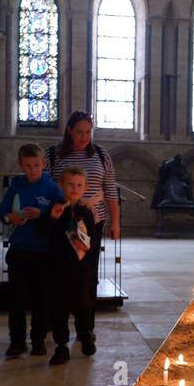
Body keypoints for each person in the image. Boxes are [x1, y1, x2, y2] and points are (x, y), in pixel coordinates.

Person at [46, 111, 118, 349]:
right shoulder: (54, 154)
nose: (84, 136)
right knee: (61, 275)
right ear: (69, 130)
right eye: (79, 131)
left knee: (87, 275)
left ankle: (86, 330)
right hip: (62, 220)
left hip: (92, 220)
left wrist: (115, 222)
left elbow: (110, 189)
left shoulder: (100, 154)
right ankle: (59, 328)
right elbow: (47, 188)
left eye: (88, 132)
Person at [0, 143, 63, 358]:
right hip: (19, 250)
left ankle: (38, 340)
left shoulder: (52, 188)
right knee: (16, 299)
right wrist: (10, 218)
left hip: (43, 251)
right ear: (21, 165)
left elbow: (61, 213)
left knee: (40, 299)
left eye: (36, 165)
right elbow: (3, 212)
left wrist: (41, 214)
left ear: (43, 164)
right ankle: (17, 341)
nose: (32, 169)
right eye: (28, 166)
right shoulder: (17, 186)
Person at [44, 167, 98, 366]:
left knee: (83, 307)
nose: (74, 189)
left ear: (84, 188)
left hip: (81, 271)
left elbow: (92, 240)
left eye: (79, 185)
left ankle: (85, 336)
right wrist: (52, 218)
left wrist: (91, 266)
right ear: (61, 185)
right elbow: (44, 232)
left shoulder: (86, 213)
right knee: (59, 309)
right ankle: (61, 346)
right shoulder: (55, 209)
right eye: (70, 184)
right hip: (58, 270)